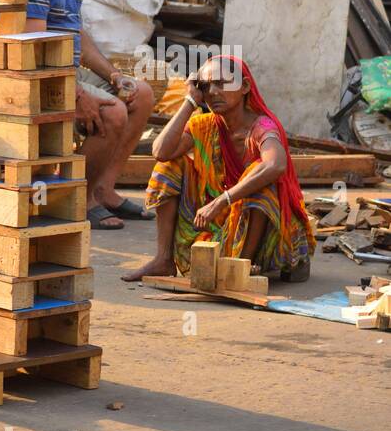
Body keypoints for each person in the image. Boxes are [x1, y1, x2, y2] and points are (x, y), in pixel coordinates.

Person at [18, 0, 154, 230]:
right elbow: (33, 49)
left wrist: (113, 76)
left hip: (64, 69)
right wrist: (78, 95)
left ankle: (104, 189)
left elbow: (75, 32)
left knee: (140, 93)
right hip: (36, 78)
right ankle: (80, 199)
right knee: (113, 113)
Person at [123, 55, 314, 284]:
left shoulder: (262, 126)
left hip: (262, 228)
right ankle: (164, 259)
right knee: (168, 167)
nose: (212, 92)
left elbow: (276, 164)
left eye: (222, 83)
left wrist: (222, 201)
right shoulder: (205, 124)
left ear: (244, 86)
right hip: (217, 222)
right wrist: (190, 101)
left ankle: (240, 266)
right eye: (205, 86)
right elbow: (161, 151)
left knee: (261, 177)